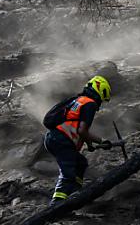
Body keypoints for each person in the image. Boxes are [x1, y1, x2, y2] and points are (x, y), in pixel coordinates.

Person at [43, 75, 114, 204]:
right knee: (68, 173)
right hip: (62, 140)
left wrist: (89, 144)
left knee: (80, 163)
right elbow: (82, 130)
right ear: (100, 92)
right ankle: (56, 205)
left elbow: (79, 130)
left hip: (53, 138)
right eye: (102, 100)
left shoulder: (79, 100)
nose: (101, 104)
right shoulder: (90, 104)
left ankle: (76, 193)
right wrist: (101, 141)